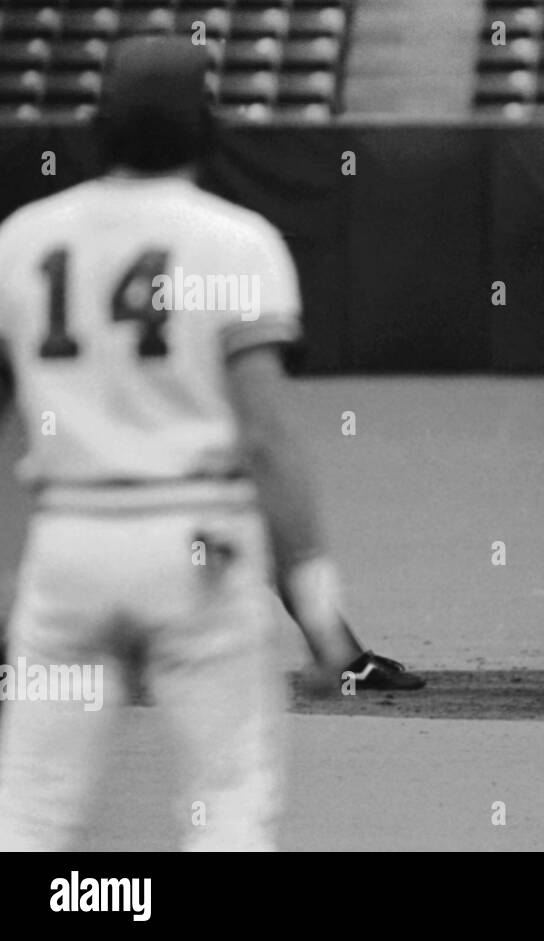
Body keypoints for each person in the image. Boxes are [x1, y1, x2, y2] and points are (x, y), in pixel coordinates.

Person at [0, 35, 406, 851]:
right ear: (205, 129)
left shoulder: (21, 237)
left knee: (32, 811)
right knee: (228, 799)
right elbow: (269, 438)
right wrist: (325, 621)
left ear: (98, 125)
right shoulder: (235, 240)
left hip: (68, 544)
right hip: (196, 545)